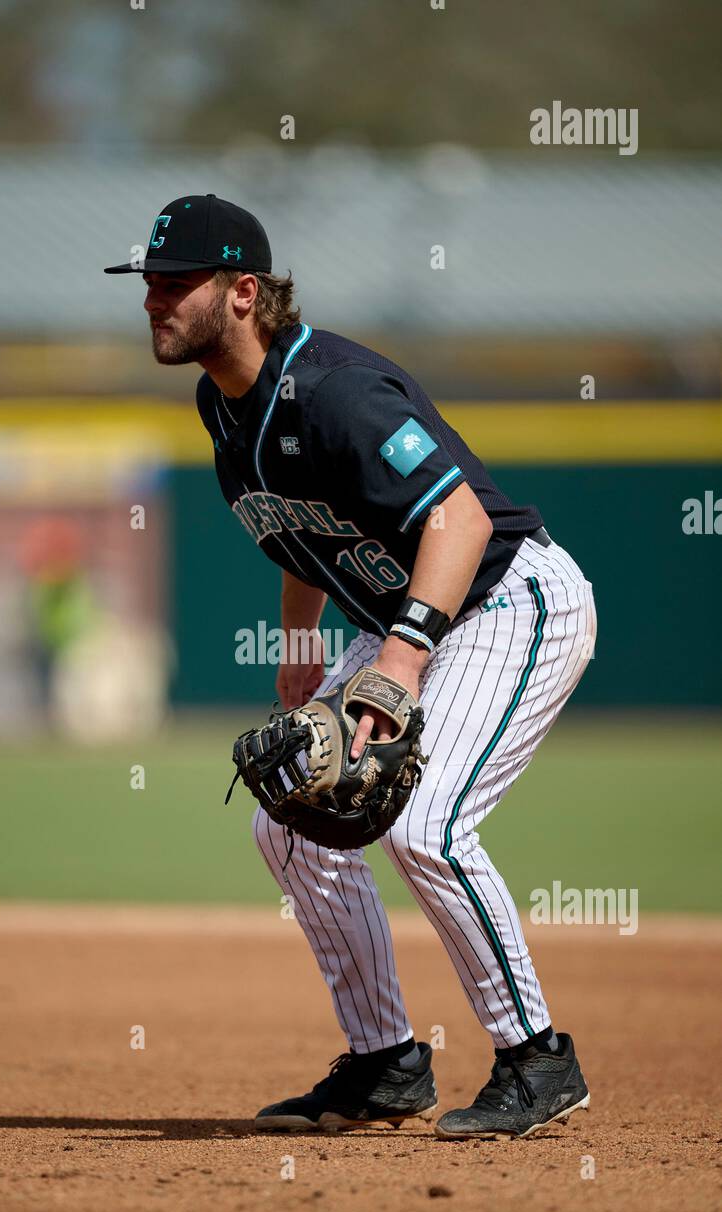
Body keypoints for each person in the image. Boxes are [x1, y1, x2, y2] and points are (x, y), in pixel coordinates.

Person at [105, 194, 596, 1138]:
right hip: (403, 622)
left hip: (506, 602)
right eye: (150, 285)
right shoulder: (223, 404)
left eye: (175, 284)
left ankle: (539, 1058)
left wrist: (400, 662)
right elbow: (298, 536)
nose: (154, 302)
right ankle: (386, 1065)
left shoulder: (333, 391)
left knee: (427, 828)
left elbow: (460, 522)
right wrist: (302, 653)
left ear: (243, 292)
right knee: (288, 822)